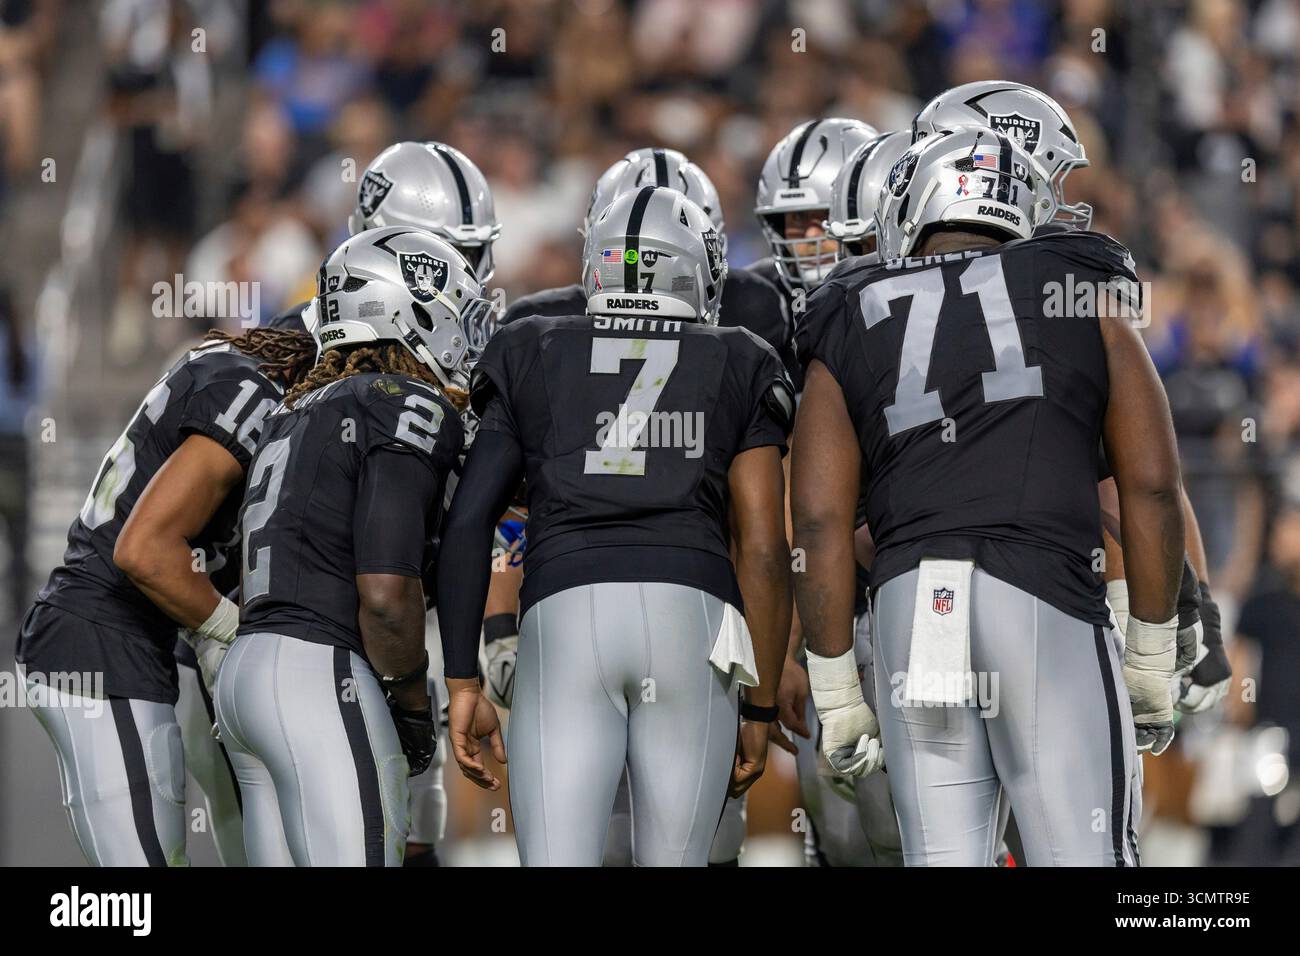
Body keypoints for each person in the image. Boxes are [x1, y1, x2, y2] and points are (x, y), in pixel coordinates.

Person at [792, 128, 1185, 866]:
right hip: (1041, 590)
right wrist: (1154, 649)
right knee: (1084, 853)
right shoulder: (1078, 285)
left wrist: (837, 683)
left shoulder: (850, 306)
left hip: (914, 604)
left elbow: (816, 520)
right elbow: (1153, 483)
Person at [437, 188, 794, 866]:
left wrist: (463, 677)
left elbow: (471, 518)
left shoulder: (529, 343)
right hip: (693, 617)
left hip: (565, 615)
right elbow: (765, 549)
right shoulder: (741, 354)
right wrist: (761, 704)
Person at [213, 227, 491, 866]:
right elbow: (386, 591)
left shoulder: (299, 406)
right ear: (409, 309)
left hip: (246, 674)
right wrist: (414, 705)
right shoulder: (402, 401)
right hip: (321, 674)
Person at [16, 324, 316, 866]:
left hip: (111, 638)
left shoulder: (231, 375)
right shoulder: (254, 398)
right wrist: (230, 631)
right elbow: (145, 553)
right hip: (102, 642)